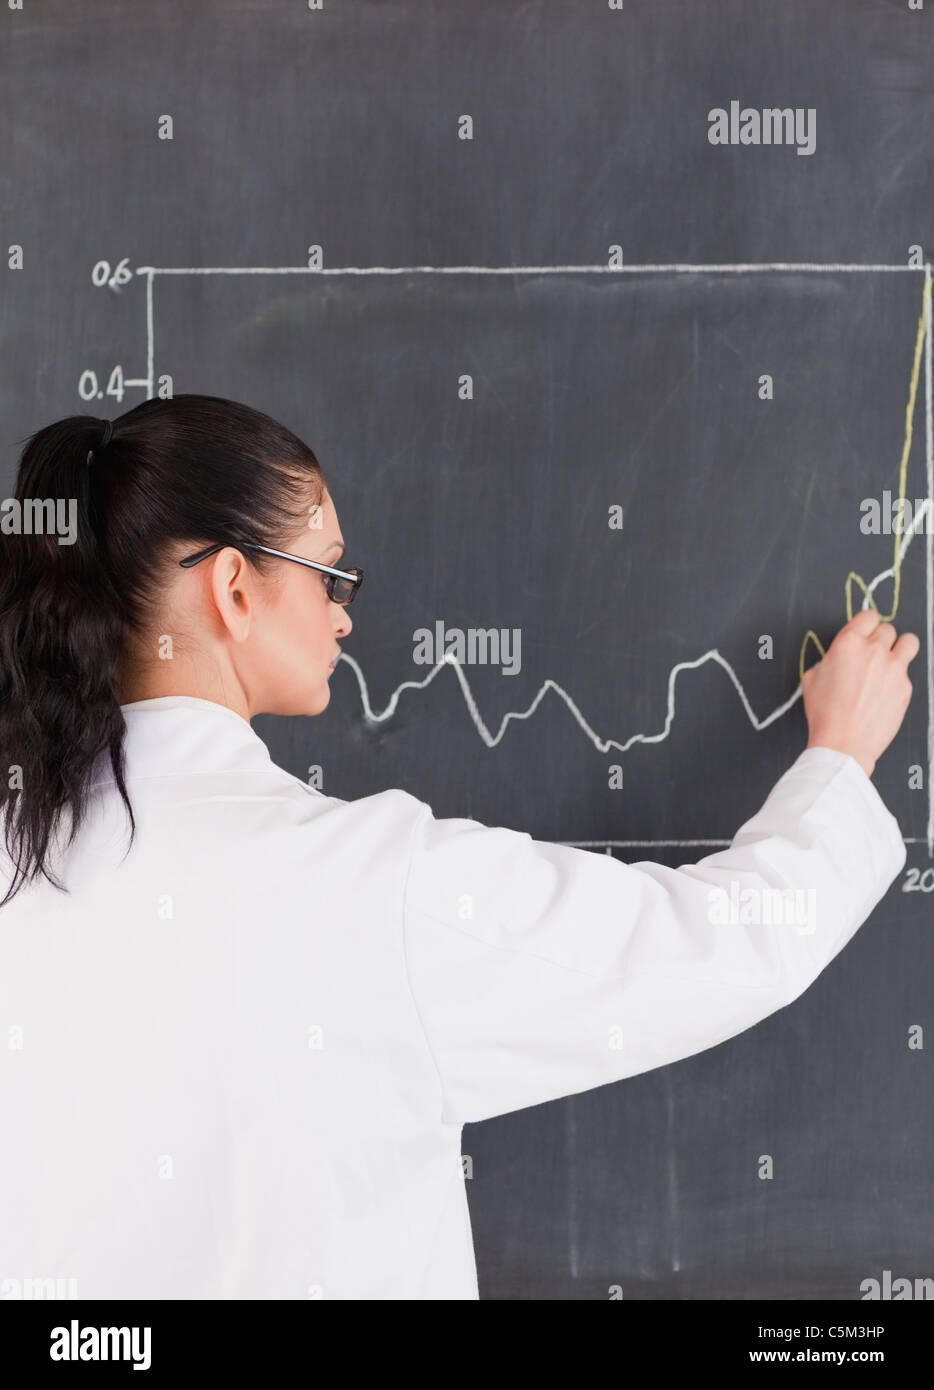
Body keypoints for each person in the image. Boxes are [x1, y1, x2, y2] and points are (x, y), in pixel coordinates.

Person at [0, 395, 919, 1300]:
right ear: (235, 588)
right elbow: (722, 942)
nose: (344, 614)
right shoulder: (372, 887)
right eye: (329, 575)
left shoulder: (16, 865)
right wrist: (839, 758)